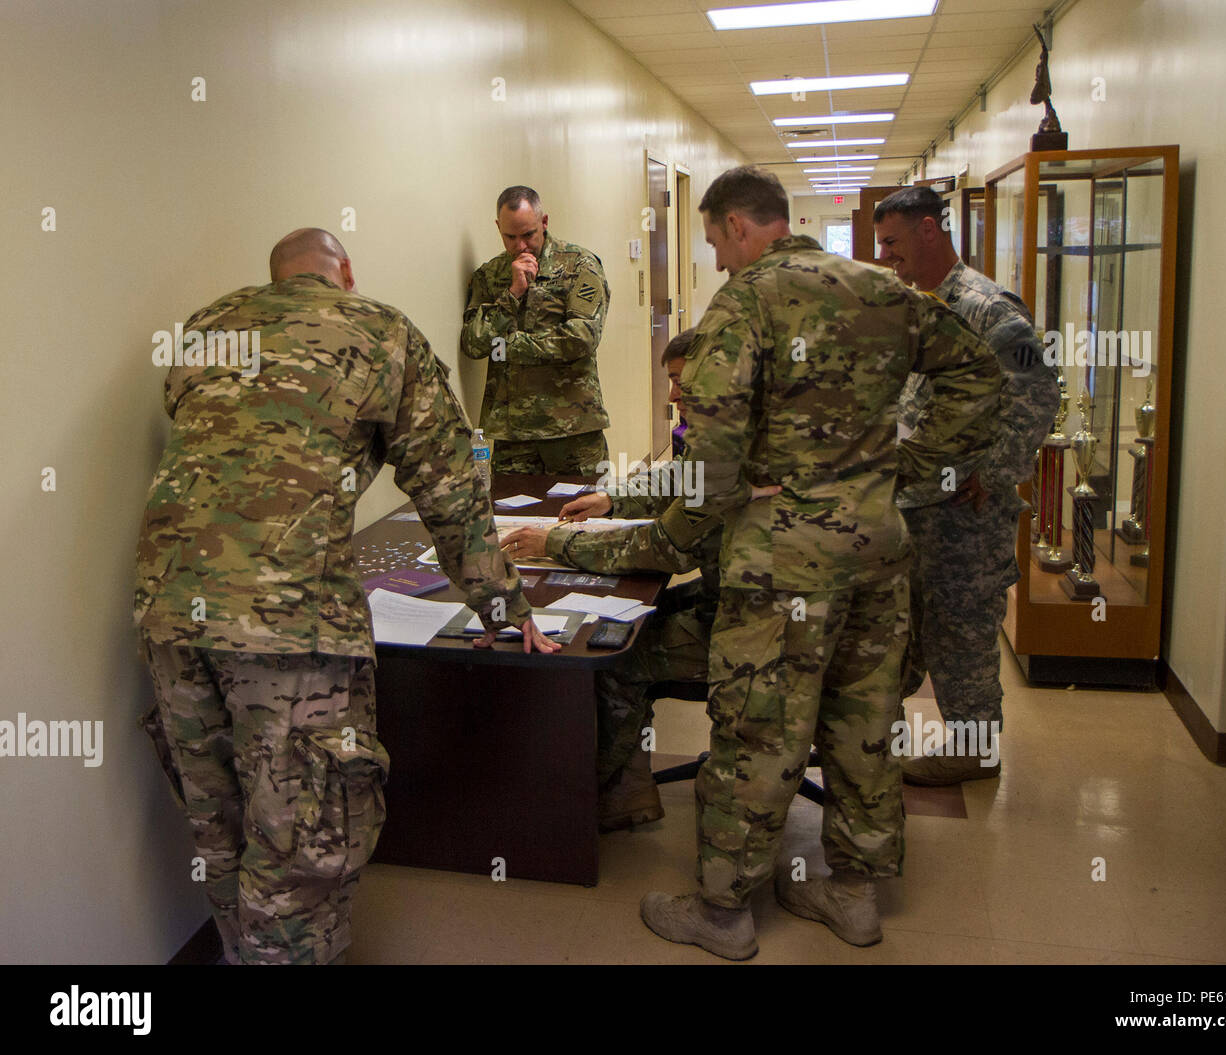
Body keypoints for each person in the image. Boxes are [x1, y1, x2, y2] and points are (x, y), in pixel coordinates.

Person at [134, 228, 557, 965]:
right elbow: (450, 485)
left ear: (273, 280)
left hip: (168, 608)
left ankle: (243, 954)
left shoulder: (205, 328)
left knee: (219, 820)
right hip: (288, 621)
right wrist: (503, 608)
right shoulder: (380, 330)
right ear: (346, 275)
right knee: (302, 834)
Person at [639, 166, 1003, 960]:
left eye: (714, 242)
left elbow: (714, 452)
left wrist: (682, 530)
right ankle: (854, 896)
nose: (720, 261)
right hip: (877, 548)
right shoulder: (882, 289)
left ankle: (725, 911)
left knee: (759, 728)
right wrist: (907, 468)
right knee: (863, 722)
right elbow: (980, 372)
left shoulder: (746, 301)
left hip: (785, 563)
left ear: (739, 226)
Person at [501, 330, 767, 832]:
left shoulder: (729, 456)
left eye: (681, 383)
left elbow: (662, 547)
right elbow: (676, 479)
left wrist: (553, 544)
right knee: (640, 618)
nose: (672, 396)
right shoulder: (732, 431)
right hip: (747, 597)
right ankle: (623, 785)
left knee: (617, 653)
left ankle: (613, 796)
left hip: (755, 628)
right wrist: (612, 500)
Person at [874, 186, 1059, 786]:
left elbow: (1037, 394)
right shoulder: (916, 302)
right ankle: (879, 740)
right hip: (913, 504)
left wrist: (993, 472)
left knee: (961, 634)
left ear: (930, 230)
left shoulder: (985, 307)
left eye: (894, 242)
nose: (887, 256)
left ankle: (975, 750)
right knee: (907, 627)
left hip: (964, 513)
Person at [460, 186, 611, 474]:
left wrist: (508, 346)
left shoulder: (580, 265)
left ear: (544, 223)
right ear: (498, 228)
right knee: (512, 517)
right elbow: (474, 343)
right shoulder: (490, 276)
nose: (521, 247)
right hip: (511, 433)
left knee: (584, 515)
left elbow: (581, 338)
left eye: (528, 234)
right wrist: (512, 294)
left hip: (572, 429)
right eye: (510, 237)